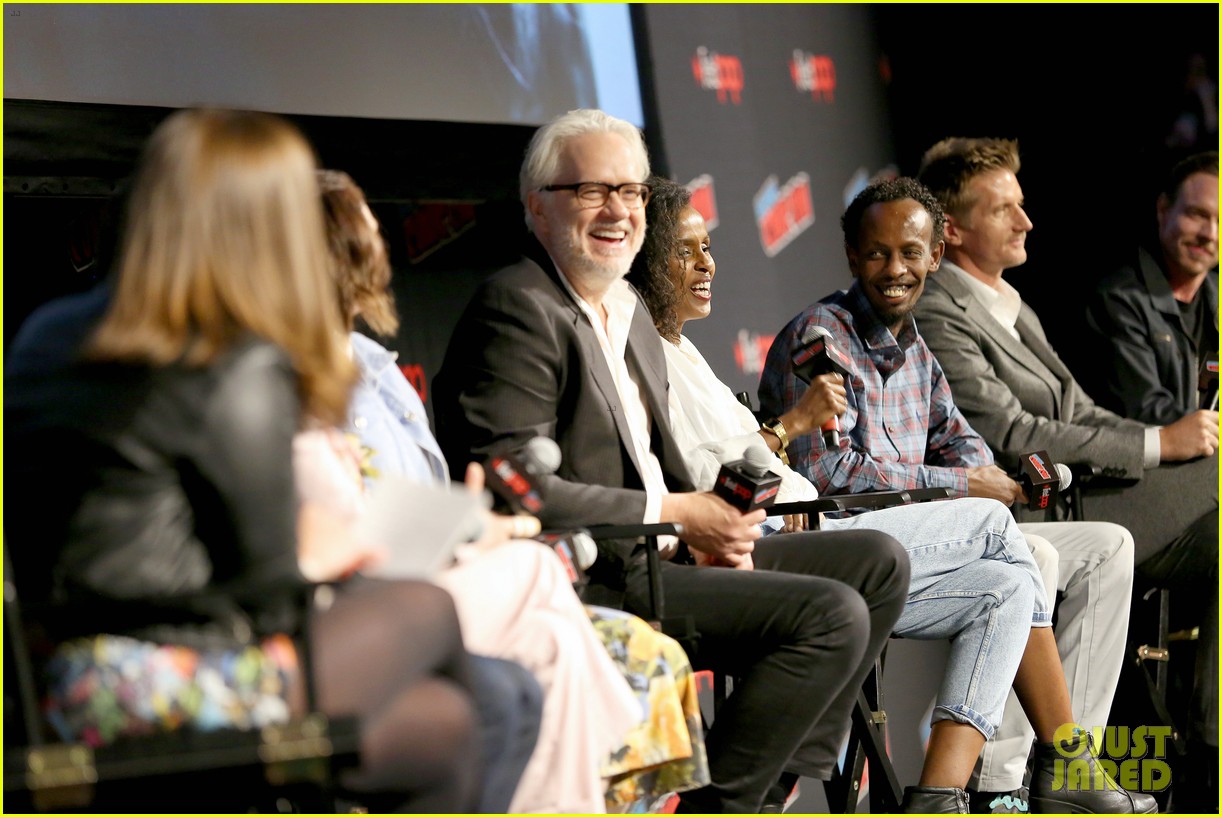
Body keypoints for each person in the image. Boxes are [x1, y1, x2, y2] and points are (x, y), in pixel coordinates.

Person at [3, 108, 489, 812]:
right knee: (433, 614)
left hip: (54, 684)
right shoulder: (235, 359)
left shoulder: (45, 333)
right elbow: (270, 597)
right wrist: (325, 549)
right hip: (170, 687)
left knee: (444, 723)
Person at [432, 108, 912, 813]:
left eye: (630, 192)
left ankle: (775, 779)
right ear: (538, 206)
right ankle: (721, 803)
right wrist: (675, 515)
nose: (619, 209)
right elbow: (516, 489)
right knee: (831, 613)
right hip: (602, 574)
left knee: (877, 561)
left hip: (669, 556)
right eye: (592, 191)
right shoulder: (517, 307)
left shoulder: (626, 306)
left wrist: (718, 525)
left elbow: (661, 463)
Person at [634, 176, 1152, 815]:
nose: (894, 269)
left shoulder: (692, 353)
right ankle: (1048, 773)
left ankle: (939, 795)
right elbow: (819, 473)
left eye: (910, 253)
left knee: (1014, 582)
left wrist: (978, 479)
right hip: (811, 532)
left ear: (935, 255)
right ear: (853, 256)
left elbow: (961, 442)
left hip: (840, 534)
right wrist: (957, 487)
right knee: (999, 532)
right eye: (687, 252)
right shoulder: (809, 337)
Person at [316, 167, 710, 812]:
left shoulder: (375, 369)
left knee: (586, 628)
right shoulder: (271, 377)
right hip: (363, 605)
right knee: (535, 574)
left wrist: (464, 523)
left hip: (425, 576)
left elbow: (410, 495)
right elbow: (326, 530)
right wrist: (475, 533)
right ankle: (605, 753)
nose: (373, 258)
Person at [912, 138, 1218, 788]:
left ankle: (1069, 771)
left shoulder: (1011, 304)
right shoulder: (941, 308)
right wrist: (1162, 444)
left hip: (1090, 493)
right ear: (954, 227)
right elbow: (1011, 430)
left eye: (1021, 206)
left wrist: (1164, 436)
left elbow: (1078, 409)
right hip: (1035, 501)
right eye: (1004, 210)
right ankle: (1208, 743)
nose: (1026, 222)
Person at [1085, 151, 1218, 425]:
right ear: (1163, 210)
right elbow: (1145, 410)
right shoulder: (1118, 300)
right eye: (1197, 214)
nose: (1210, 234)